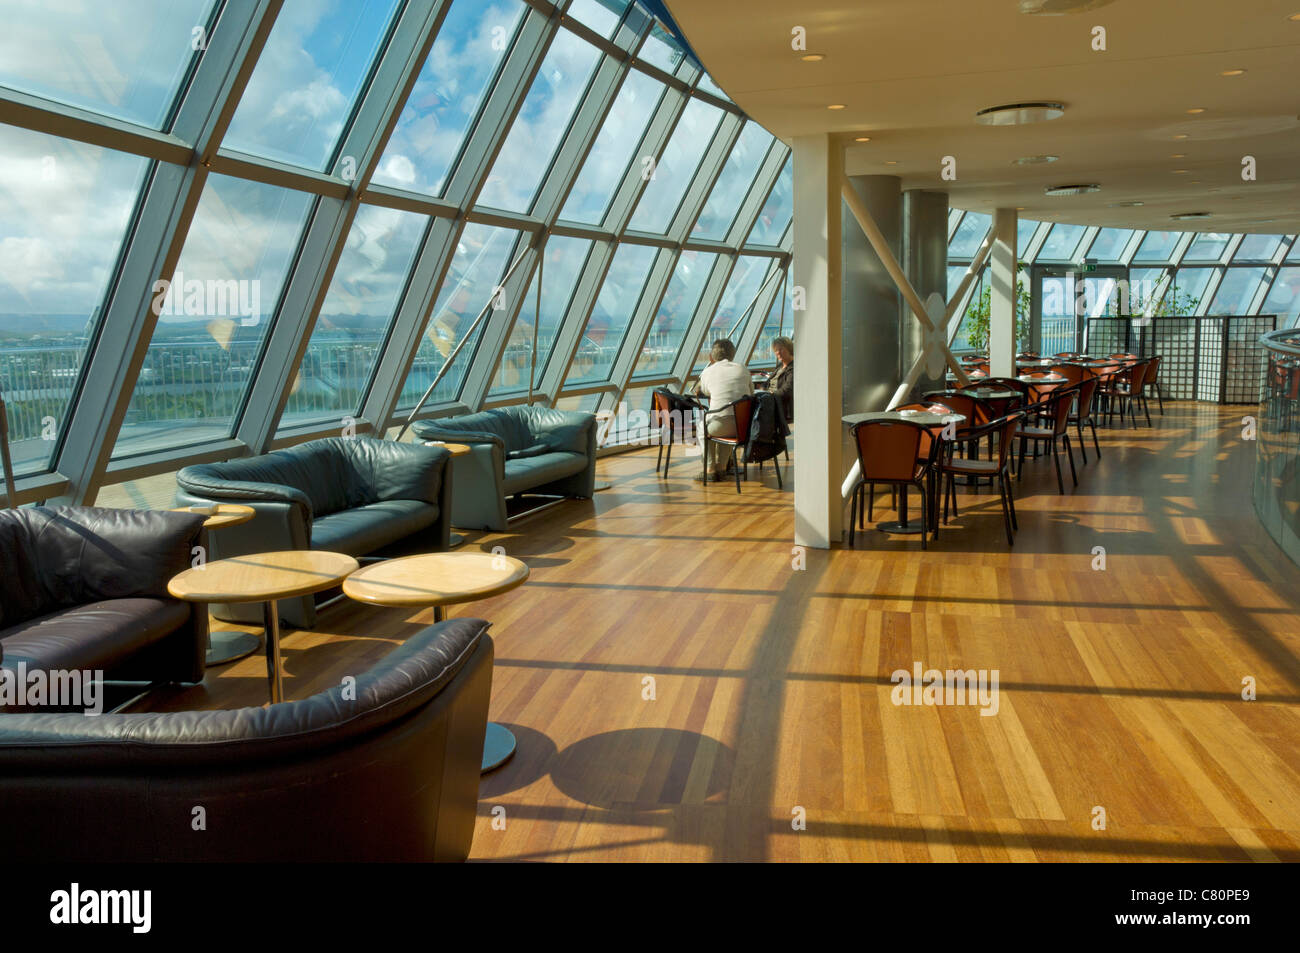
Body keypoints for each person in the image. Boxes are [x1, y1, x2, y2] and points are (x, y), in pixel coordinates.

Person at [696, 339, 752, 482]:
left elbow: (705, 391)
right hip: (743, 426)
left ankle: (709, 469)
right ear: (732, 354)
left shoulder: (708, 372)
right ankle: (721, 468)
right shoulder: (742, 369)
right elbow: (751, 394)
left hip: (719, 426)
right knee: (727, 417)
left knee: (703, 427)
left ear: (712, 356)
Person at [768, 336, 793, 422]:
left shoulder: (793, 367)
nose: (778, 352)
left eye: (781, 349)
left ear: (789, 349)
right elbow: (766, 383)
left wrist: (771, 396)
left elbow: (787, 389)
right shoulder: (779, 366)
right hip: (772, 401)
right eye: (776, 350)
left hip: (781, 405)